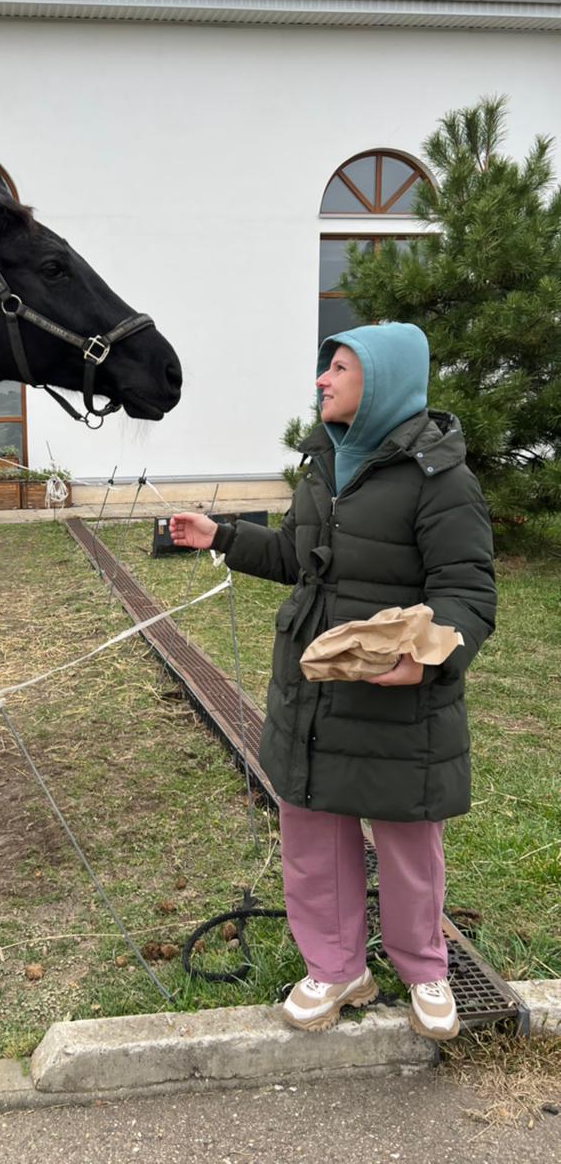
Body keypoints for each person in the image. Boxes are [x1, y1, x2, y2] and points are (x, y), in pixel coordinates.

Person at [169, 323, 496, 1040]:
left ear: (379, 381)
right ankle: (337, 967)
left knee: (408, 841)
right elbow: (296, 554)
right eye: (325, 369)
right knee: (312, 834)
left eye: (339, 368)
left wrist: (429, 657)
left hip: (395, 696)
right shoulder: (322, 462)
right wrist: (220, 535)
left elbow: (468, 590)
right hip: (311, 688)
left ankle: (423, 966)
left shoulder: (443, 480)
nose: (322, 380)